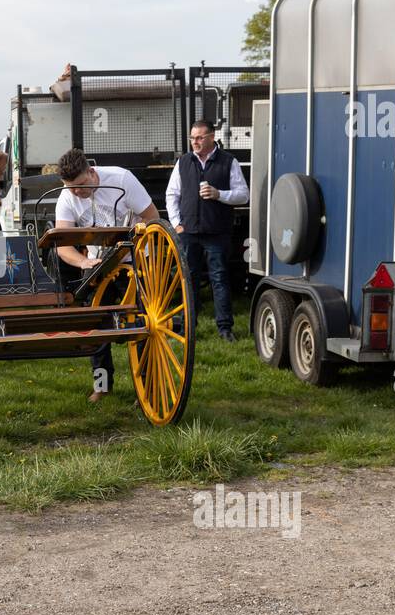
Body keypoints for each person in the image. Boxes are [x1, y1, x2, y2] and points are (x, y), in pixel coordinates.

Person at [52, 147, 160, 403]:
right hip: (97, 266)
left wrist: (137, 245)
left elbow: (152, 217)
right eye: (70, 188)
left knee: (144, 325)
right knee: (96, 327)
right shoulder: (67, 197)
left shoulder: (121, 179)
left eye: (79, 185)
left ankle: (145, 387)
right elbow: (62, 245)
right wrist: (84, 262)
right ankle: (102, 385)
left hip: (134, 262)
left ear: (91, 172)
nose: (76, 192)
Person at [165, 120, 249, 342]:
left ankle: (225, 328)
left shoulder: (228, 162)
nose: (195, 142)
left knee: (219, 279)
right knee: (188, 280)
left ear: (212, 137)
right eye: (192, 138)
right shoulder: (183, 162)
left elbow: (243, 194)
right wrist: (176, 224)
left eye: (200, 137)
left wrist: (218, 194)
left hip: (217, 232)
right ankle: (188, 327)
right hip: (188, 232)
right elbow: (172, 195)